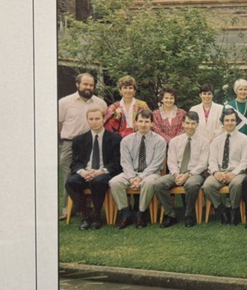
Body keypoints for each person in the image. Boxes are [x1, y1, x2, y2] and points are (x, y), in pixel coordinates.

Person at [58, 72, 107, 219]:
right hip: (70, 142)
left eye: (91, 85)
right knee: (68, 176)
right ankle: (68, 209)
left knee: (92, 173)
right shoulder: (64, 102)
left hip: (92, 143)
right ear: (78, 84)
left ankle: (91, 206)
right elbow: (60, 123)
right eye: (85, 84)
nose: (88, 87)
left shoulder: (100, 103)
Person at [64, 108, 121, 230]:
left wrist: (100, 171)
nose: (94, 122)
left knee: (98, 181)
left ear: (104, 119)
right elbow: (76, 163)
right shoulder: (79, 140)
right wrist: (83, 172)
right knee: (71, 182)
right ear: (87, 120)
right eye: (91, 119)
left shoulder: (115, 139)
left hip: (103, 172)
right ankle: (86, 214)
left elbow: (116, 162)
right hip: (85, 172)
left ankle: (96, 217)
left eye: (97, 119)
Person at [109, 109, 167, 230]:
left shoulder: (160, 141)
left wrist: (140, 177)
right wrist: (131, 178)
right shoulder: (126, 141)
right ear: (135, 123)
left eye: (147, 121)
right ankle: (125, 213)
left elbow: (156, 164)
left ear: (152, 124)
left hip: (151, 173)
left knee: (148, 182)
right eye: (140, 121)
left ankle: (141, 213)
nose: (143, 124)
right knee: (114, 182)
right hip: (131, 172)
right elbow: (125, 162)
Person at [154, 111, 210, 228]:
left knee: (191, 184)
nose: (190, 126)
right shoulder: (175, 141)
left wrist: (188, 175)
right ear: (183, 124)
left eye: (193, 123)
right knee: (159, 184)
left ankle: (189, 214)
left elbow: (203, 164)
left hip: (195, 174)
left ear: (197, 125)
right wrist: (175, 174)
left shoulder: (204, 142)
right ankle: (170, 214)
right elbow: (171, 161)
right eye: (187, 123)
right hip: (177, 173)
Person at [202, 107, 247, 225]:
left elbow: (245, 161)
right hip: (220, 172)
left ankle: (234, 211)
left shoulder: (244, 139)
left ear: (236, 122)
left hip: (237, 172)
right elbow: (212, 160)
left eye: (232, 120)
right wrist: (216, 172)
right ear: (223, 122)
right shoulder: (216, 140)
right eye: (227, 120)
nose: (230, 123)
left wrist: (233, 173)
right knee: (208, 185)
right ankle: (222, 211)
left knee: (236, 184)